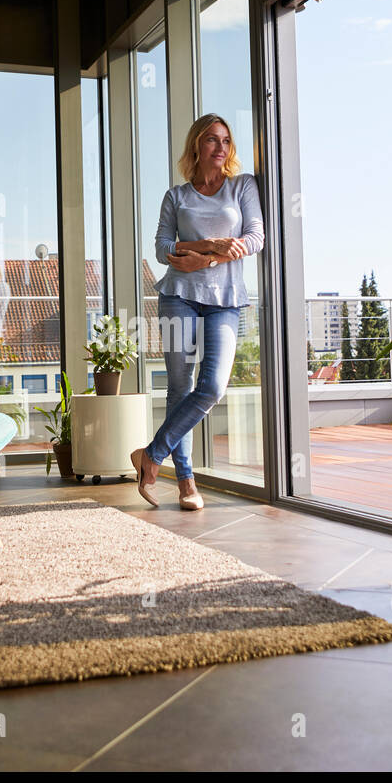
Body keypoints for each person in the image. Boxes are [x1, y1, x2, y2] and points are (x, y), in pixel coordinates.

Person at [129, 113, 265, 510]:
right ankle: (187, 482)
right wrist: (209, 248)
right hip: (177, 296)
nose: (220, 148)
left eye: (225, 140)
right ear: (196, 146)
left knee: (212, 387)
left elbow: (255, 236)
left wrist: (201, 257)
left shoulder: (242, 186)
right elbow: (162, 248)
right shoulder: (176, 196)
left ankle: (151, 456)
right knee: (179, 387)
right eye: (211, 140)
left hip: (226, 299)